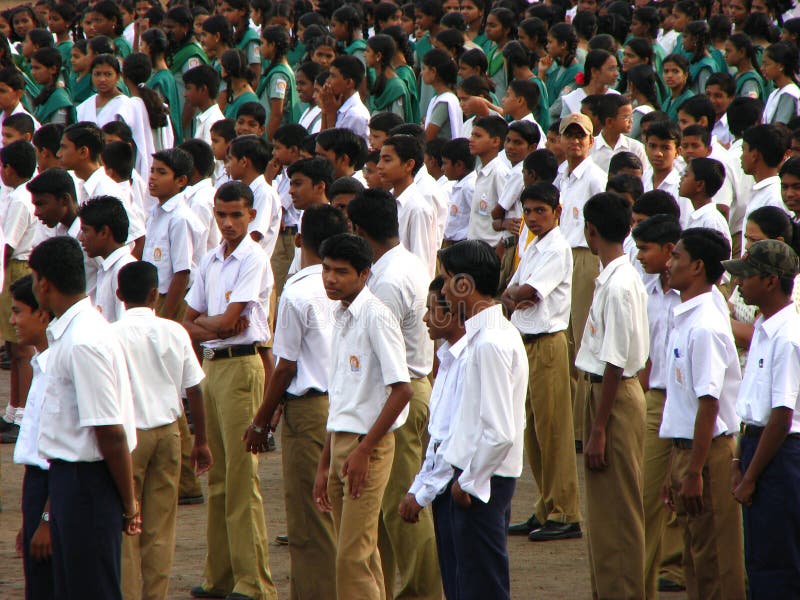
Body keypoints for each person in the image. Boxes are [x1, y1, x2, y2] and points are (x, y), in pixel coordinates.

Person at [243, 204, 347, 600]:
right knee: (340, 512)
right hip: (345, 405)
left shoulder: (300, 290)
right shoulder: (350, 286)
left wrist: (260, 421)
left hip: (310, 410)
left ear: (300, 240)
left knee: (311, 520)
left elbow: (284, 368)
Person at [31, 235, 140, 598]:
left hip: (88, 483)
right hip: (69, 480)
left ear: (44, 283)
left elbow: (110, 431)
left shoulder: (84, 340)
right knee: (73, 586)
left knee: (91, 588)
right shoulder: (71, 331)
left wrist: (128, 502)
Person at [346, 190, 441, 600]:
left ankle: (423, 591)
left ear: (358, 230)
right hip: (410, 389)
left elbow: (380, 357)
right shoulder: (407, 263)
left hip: (398, 396)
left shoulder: (384, 281)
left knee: (404, 505)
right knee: (389, 506)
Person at [184, 181, 277, 600]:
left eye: (236, 215)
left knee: (241, 478)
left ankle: (253, 582)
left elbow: (223, 324)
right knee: (219, 478)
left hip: (242, 365)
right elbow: (190, 321)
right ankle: (219, 576)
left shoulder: (253, 258)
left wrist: (210, 323)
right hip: (213, 365)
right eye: (221, 215)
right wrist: (212, 323)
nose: (228, 223)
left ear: (251, 215)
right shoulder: (210, 258)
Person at [312, 232, 413, 600]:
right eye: (326, 270)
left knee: (351, 556)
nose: (330, 279)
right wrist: (325, 463)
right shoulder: (340, 316)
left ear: (365, 274)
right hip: (341, 441)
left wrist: (364, 450)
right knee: (360, 552)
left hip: (366, 446)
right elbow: (339, 397)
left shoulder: (376, 317)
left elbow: (403, 389)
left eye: (341, 272)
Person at [434, 239, 527, 599]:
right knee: (466, 580)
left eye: (446, 280)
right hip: (482, 476)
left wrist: (469, 481)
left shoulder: (490, 341)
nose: (442, 290)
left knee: (480, 585)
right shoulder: (485, 335)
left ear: (464, 285)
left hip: (483, 480)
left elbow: (500, 430)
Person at [115, 260, 211, 600]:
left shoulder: (111, 334)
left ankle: (127, 593)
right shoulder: (174, 331)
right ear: (155, 294)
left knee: (127, 522)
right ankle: (155, 595)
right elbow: (195, 389)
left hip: (128, 436)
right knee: (161, 526)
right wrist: (200, 440)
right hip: (170, 431)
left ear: (118, 294)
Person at [661, 227, 746, 598]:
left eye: (676, 256)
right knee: (696, 559)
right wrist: (674, 467)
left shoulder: (706, 326)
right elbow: (682, 404)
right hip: (689, 451)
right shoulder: (687, 318)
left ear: (697, 266)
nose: (668, 263)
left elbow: (709, 404)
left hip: (708, 454)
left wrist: (693, 470)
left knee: (715, 561)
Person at [575, 192, 649, 599]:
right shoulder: (614, 277)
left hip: (613, 398)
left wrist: (600, 427)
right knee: (605, 512)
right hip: (606, 395)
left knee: (619, 512)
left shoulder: (619, 285)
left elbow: (616, 362)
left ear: (591, 231)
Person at [501, 182, 582, 542]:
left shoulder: (557, 247)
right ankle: (545, 506)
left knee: (553, 431)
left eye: (540, 211)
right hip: (525, 341)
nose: (533, 218)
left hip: (547, 343)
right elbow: (510, 289)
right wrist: (513, 295)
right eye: (528, 211)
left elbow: (526, 293)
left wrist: (514, 295)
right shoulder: (533, 246)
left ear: (557, 211)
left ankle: (565, 511)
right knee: (532, 431)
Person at [725, 240, 800, 598]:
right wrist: (740, 459)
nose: (739, 283)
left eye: (747, 276)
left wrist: (751, 475)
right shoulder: (765, 328)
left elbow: (781, 417)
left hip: (780, 455)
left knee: (778, 562)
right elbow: (753, 409)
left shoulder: (787, 336)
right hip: (759, 446)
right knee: (760, 557)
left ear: (770, 281)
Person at [398, 274, 466, 599]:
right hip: (444, 489)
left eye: (432, 310)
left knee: (469, 580)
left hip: (461, 490)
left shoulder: (468, 361)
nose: (425, 318)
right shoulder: (447, 360)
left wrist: (420, 494)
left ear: (453, 312)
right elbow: (437, 439)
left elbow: (453, 444)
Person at [631, 214, 687, 598]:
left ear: (670, 251)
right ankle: (644, 584)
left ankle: (680, 567)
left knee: (686, 491)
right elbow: (643, 349)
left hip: (689, 404)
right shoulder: (644, 289)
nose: (639, 256)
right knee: (648, 496)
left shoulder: (696, 294)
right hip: (655, 399)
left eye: (645, 249)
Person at [554, 113, 607, 448]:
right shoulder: (563, 174)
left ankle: (579, 428)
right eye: (569, 135)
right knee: (567, 337)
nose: (575, 141)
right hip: (563, 255)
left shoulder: (595, 177)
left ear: (591, 140)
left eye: (581, 136)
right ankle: (571, 423)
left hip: (586, 256)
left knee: (581, 336)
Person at [10, 274, 53, 600]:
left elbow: (63, 453)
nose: (12, 321)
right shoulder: (40, 364)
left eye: (18, 311)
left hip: (52, 487)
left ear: (42, 314)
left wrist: (46, 519)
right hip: (37, 485)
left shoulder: (56, 368)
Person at [57, 121, 146, 256]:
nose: (59, 153)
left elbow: (139, 239)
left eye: (64, 147)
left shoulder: (107, 190)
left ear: (83, 152)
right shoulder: (82, 186)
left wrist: (117, 273)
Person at [0, 140, 37, 444]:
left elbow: (7, 245)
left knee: (21, 347)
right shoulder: (18, 195)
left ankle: (22, 413)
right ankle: (13, 409)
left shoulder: (21, 200)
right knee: (13, 347)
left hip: (17, 268)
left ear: (10, 169)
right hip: (15, 267)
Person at [142, 148, 205, 322]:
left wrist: (166, 316)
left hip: (173, 299)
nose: (153, 177)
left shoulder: (179, 218)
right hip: (153, 297)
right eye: (152, 171)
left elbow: (182, 273)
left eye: (162, 172)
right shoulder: (155, 214)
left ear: (181, 180)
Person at [377, 134, 438, 278]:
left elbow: (421, 262)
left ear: (409, 165)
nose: (379, 165)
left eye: (387, 160)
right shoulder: (386, 201)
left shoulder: (418, 208)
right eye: (380, 159)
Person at [77, 195, 136, 323]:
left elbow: (125, 325)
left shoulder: (124, 270)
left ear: (104, 232)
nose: (81, 238)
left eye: (85, 230)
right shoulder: (106, 268)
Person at [226, 135, 281, 255]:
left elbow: (254, 234)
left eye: (230, 159)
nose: (227, 165)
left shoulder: (264, 193)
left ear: (244, 162)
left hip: (250, 263)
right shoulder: (243, 189)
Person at [680, 157, 733, 250]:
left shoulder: (712, 221)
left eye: (686, 175)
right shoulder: (697, 217)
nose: (681, 178)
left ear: (699, 185)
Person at [319, 55, 370, 142]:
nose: (327, 81)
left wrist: (331, 115)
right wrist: (325, 110)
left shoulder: (354, 115)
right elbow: (319, 144)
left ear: (349, 83)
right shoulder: (336, 107)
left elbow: (332, 150)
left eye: (333, 76)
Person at [590, 94, 647, 172]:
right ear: (609, 121)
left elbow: (645, 176)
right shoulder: (590, 147)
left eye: (631, 116)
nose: (631, 121)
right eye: (626, 117)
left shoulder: (636, 147)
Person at [441, 137, 476, 246]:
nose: (442, 168)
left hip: (463, 244)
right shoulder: (458, 184)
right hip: (452, 243)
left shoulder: (470, 187)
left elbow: (478, 219)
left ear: (459, 165)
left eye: (445, 163)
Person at [183, 64, 223, 145]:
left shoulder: (212, 122)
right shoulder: (205, 117)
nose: (185, 94)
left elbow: (210, 156)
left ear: (203, 89)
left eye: (188, 88)